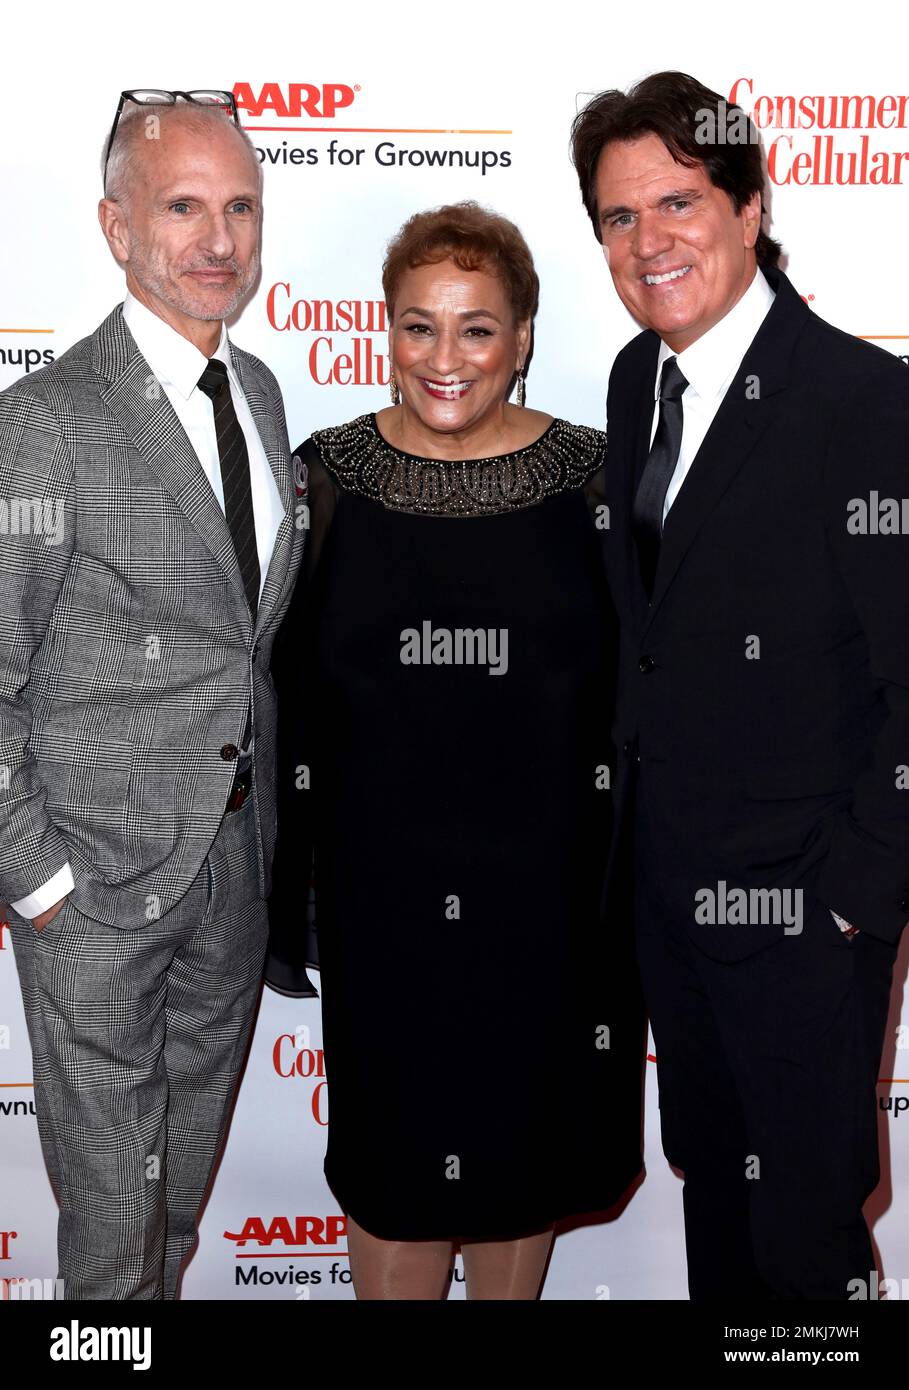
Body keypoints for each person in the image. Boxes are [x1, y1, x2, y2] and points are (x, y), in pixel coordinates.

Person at [265, 201, 646, 1300]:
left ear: (522, 337)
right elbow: (276, 687)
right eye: (418, 325)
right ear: (384, 329)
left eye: (477, 328)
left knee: (522, 1173)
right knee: (395, 1182)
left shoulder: (596, 482)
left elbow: (650, 695)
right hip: (385, 924)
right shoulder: (325, 479)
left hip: (553, 923)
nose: (445, 358)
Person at [571, 70, 909, 1300]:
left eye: (679, 202)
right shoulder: (635, 381)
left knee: (806, 1245)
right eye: (619, 216)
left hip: (804, 924)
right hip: (669, 910)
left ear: (750, 207)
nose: (649, 242)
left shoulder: (862, 405)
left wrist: (850, 908)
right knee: (717, 1206)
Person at [0, 91, 304, 1299]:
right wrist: (43, 885)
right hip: (93, 894)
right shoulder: (46, 423)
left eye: (241, 208)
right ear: (117, 227)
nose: (219, 240)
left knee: (170, 1218)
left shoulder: (261, 393)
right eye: (183, 207)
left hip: (232, 880)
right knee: (113, 1234)